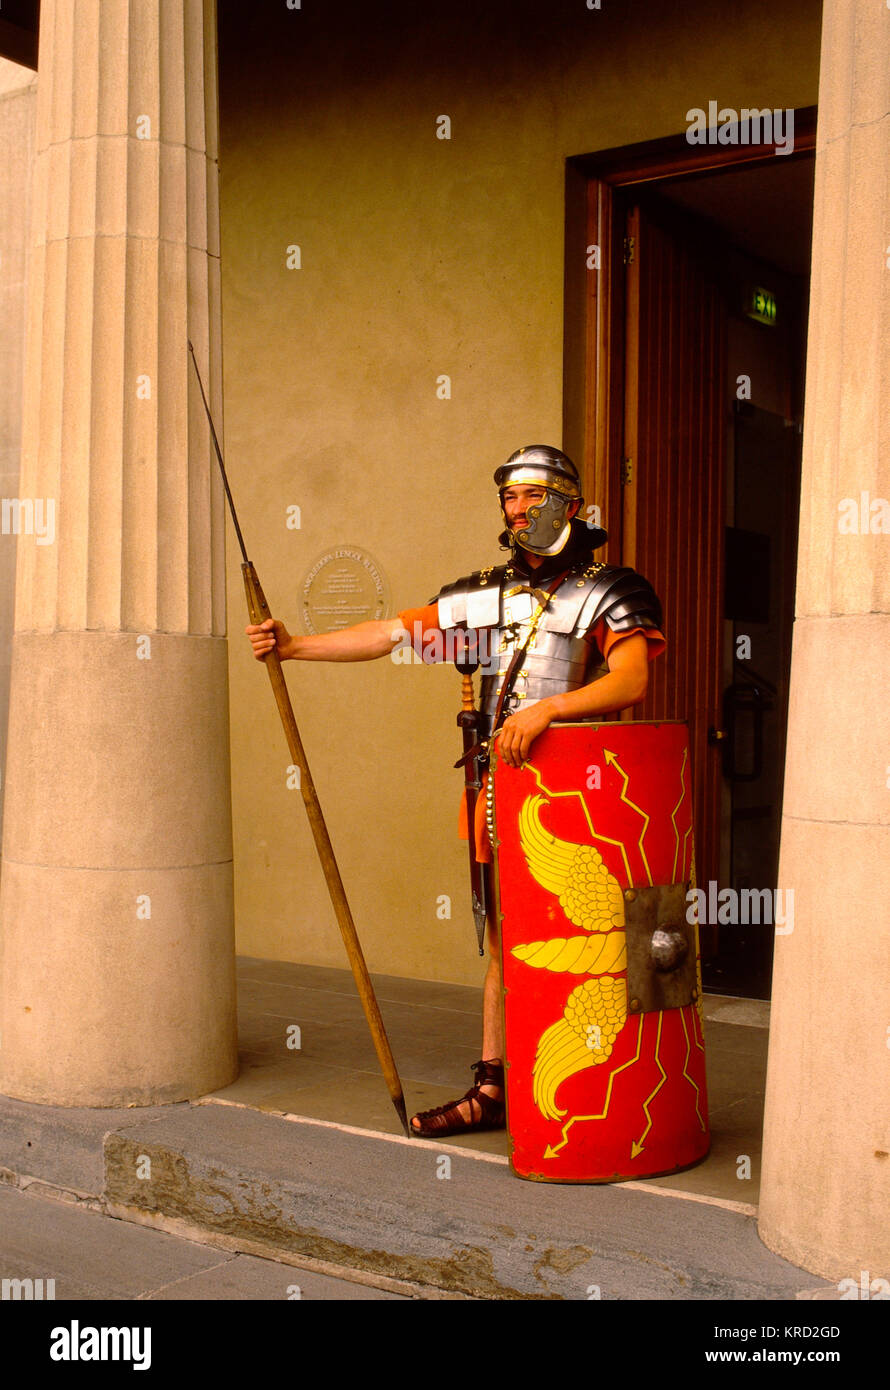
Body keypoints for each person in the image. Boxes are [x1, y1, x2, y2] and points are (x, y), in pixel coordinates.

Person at [246, 446, 665, 1138]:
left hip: (576, 794)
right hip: (500, 789)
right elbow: (390, 634)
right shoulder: (482, 596)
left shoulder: (610, 588)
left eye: (535, 496)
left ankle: (592, 1082)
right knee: (504, 936)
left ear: (571, 503)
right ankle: (494, 1084)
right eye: (510, 498)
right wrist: (295, 648)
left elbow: (630, 681)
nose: (520, 509)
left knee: (586, 935)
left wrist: (547, 711)